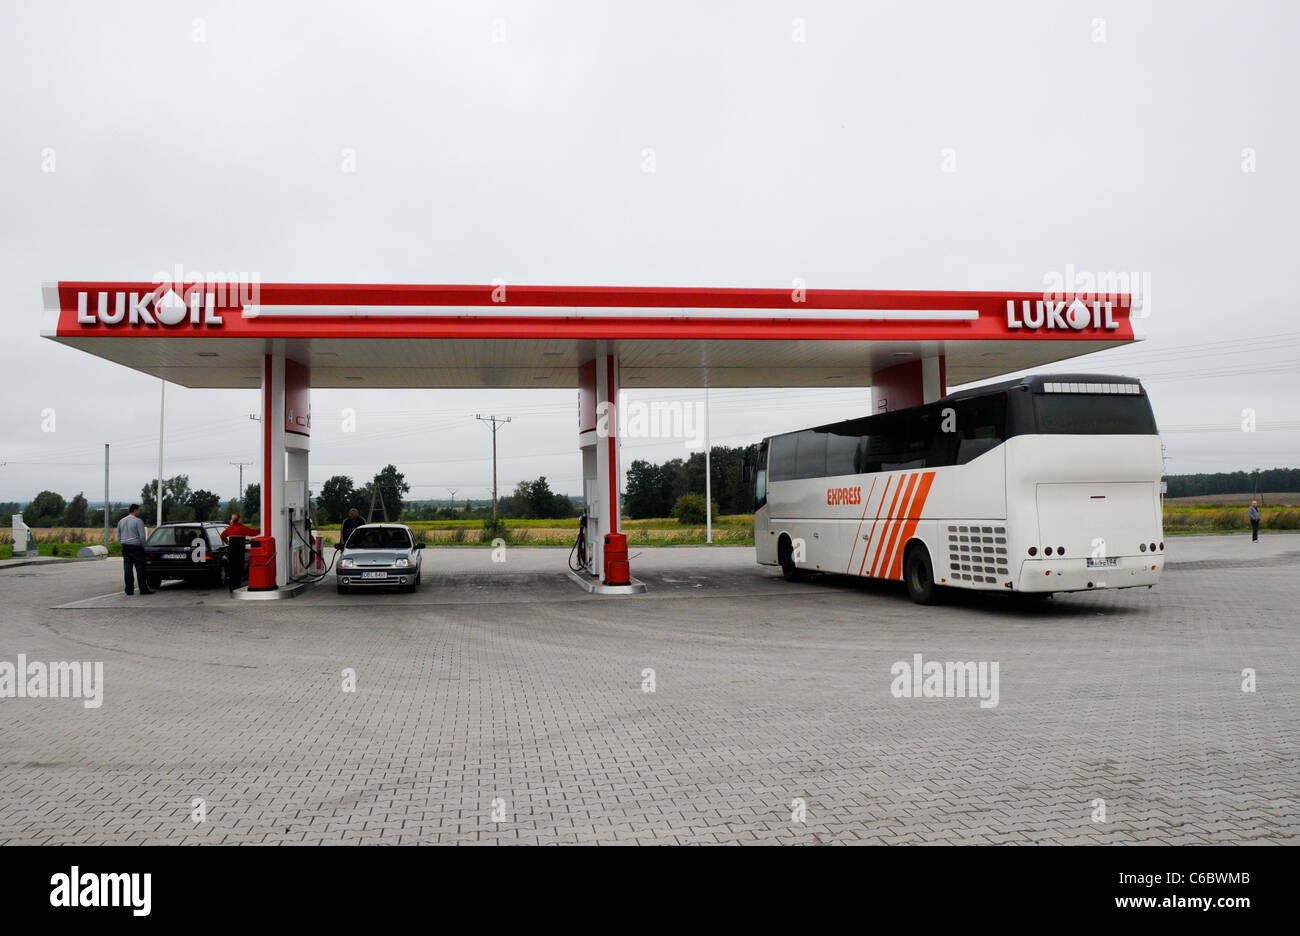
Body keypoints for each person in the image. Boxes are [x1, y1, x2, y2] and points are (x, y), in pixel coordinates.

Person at [117, 504, 153, 595]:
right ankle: (143, 589)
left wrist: (124, 542)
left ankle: (129, 590)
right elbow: (142, 537)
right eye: (139, 510)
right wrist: (145, 548)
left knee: (127, 569)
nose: (139, 512)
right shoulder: (138, 521)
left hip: (125, 547)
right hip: (136, 548)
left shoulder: (121, 521)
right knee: (140, 569)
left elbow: (118, 537)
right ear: (135, 510)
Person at [220, 512, 260, 591]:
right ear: (238, 519)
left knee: (232, 570)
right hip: (239, 552)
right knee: (238, 570)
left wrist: (227, 542)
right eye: (241, 518)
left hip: (231, 552)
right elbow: (252, 533)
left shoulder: (229, 528)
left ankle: (232, 588)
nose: (241, 519)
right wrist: (261, 529)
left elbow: (222, 536)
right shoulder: (241, 528)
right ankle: (237, 587)